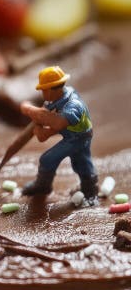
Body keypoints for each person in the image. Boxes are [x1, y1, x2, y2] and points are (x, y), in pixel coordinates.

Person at [20, 66, 98, 203]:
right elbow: (46, 126)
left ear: (52, 88)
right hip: (71, 134)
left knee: (48, 159)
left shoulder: (73, 105)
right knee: (81, 161)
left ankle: (44, 186)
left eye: (43, 90)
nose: (42, 93)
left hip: (78, 137)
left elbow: (58, 123)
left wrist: (30, 110)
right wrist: (42, 129)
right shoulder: (55, 100)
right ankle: (89, 188)